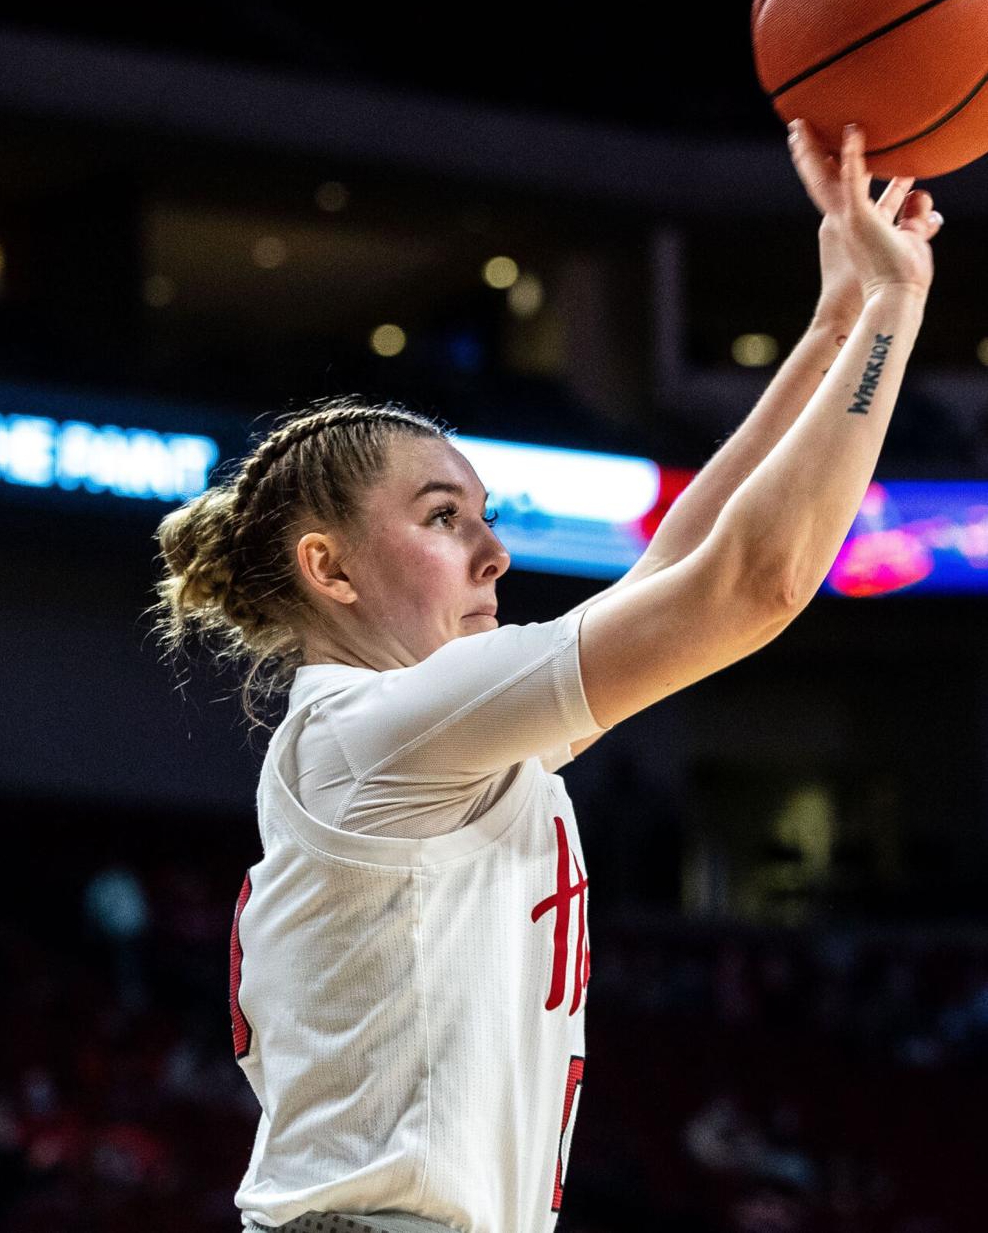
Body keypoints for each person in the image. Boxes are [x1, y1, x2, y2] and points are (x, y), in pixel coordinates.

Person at [150, 121, 941, 1233]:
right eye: (441, 518)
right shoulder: (381, 728)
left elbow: (670, 573)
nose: (495, 553)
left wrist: (837, 317)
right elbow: (752, 584)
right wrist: (898, 313)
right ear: (325, 566)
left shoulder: (425, 741)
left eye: (486, 516)